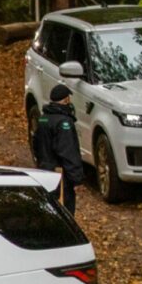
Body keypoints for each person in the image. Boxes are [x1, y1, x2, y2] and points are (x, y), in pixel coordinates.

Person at [32, 83, 85, 214]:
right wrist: (76, 178)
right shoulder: (64, 123)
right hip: (61, 177)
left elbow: (36, 145)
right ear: (66, 99)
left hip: (45, 172)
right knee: (64, 212)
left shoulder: (43, 119)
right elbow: (68, 152)